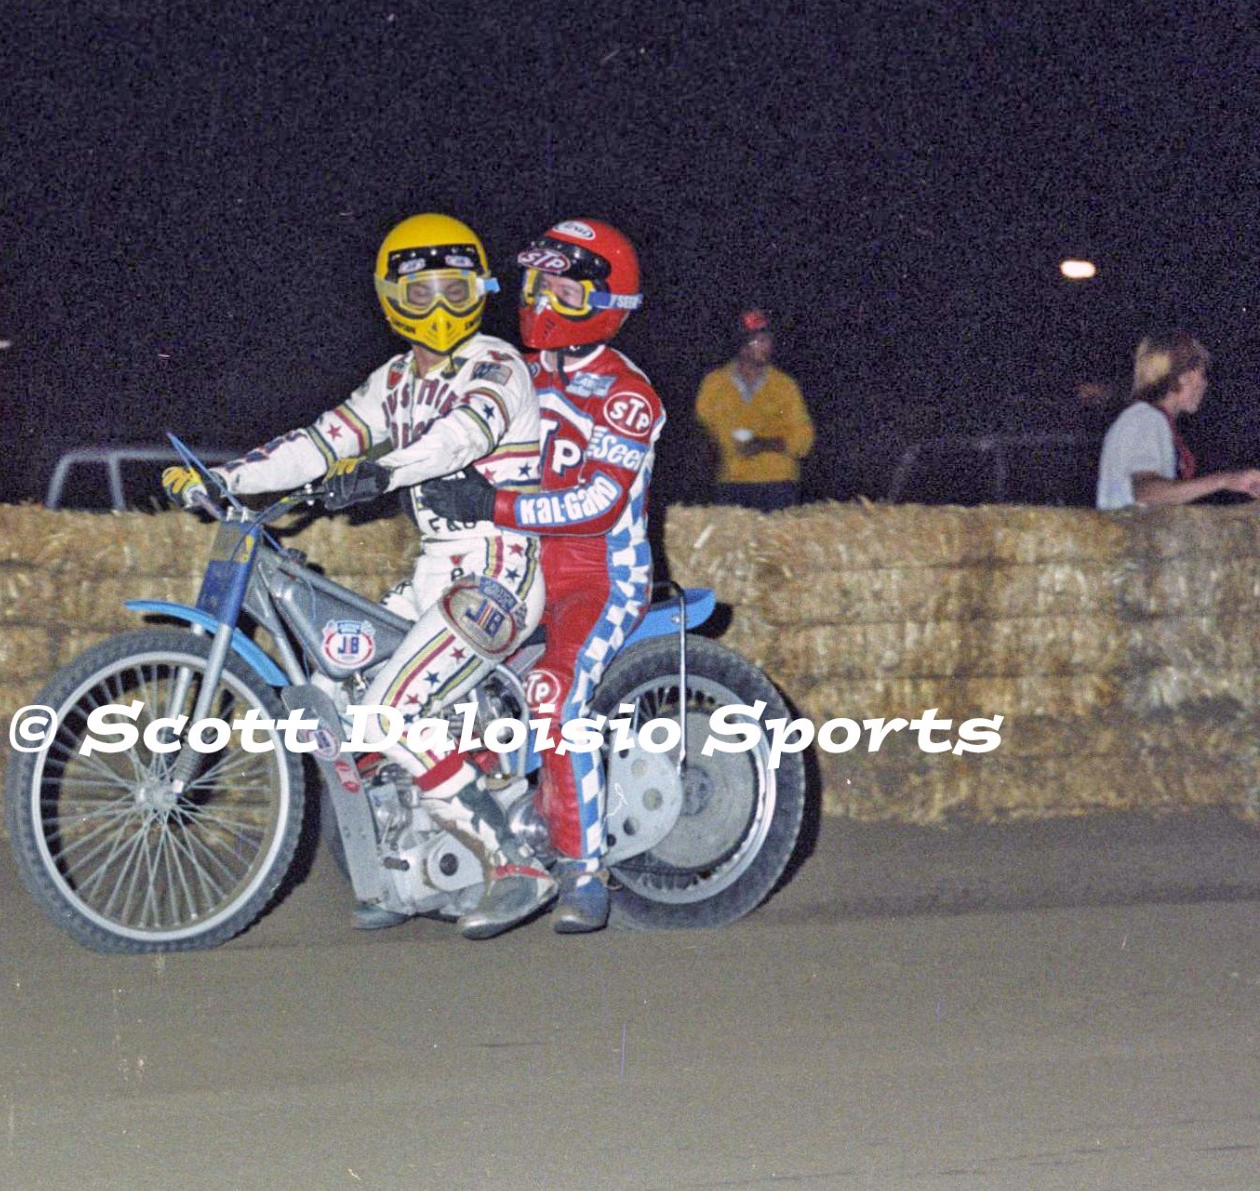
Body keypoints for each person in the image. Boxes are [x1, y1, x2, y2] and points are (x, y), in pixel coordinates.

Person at [162, 213, 554, 939]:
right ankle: (407, 870)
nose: (438, 305)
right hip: (437, 573)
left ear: (481, 289)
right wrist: (223, 478)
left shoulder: (498, 364)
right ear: (390, 297)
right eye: (419, 290)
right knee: (350, 701)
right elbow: (317, 442)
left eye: (453, 286)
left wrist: (380, 472)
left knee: (393, 711)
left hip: (500, 571)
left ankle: (516, 862)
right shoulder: (394, 380)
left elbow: (459, 437)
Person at [424, 218, 659, 934]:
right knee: (430, 664)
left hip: (599, 580)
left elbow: (596, 503)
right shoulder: (521, 373)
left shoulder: (628, 394)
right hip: (523, 572)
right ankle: (452, 852)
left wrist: (490, 501)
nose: (541, 297)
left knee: (554, 690)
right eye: (537, 283)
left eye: (559, 285)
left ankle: (584, 871)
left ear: (602, 299)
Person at [1096, 333, 1260, 509]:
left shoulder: (1151, 420)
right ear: (1182, 376)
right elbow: (1145, 493)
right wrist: (1223, 480)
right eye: (1201, 374)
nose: (1204, 384)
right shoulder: (1146, 419)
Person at [693, 309, 814, 511]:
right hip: (730, 482)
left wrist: (764, 444)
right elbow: (700, 429)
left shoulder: (784, 386)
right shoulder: (714, 383)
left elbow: (804, 439)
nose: (766, 346)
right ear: (741, 346)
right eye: (759, 340)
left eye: (767, 340)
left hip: (776, 484)